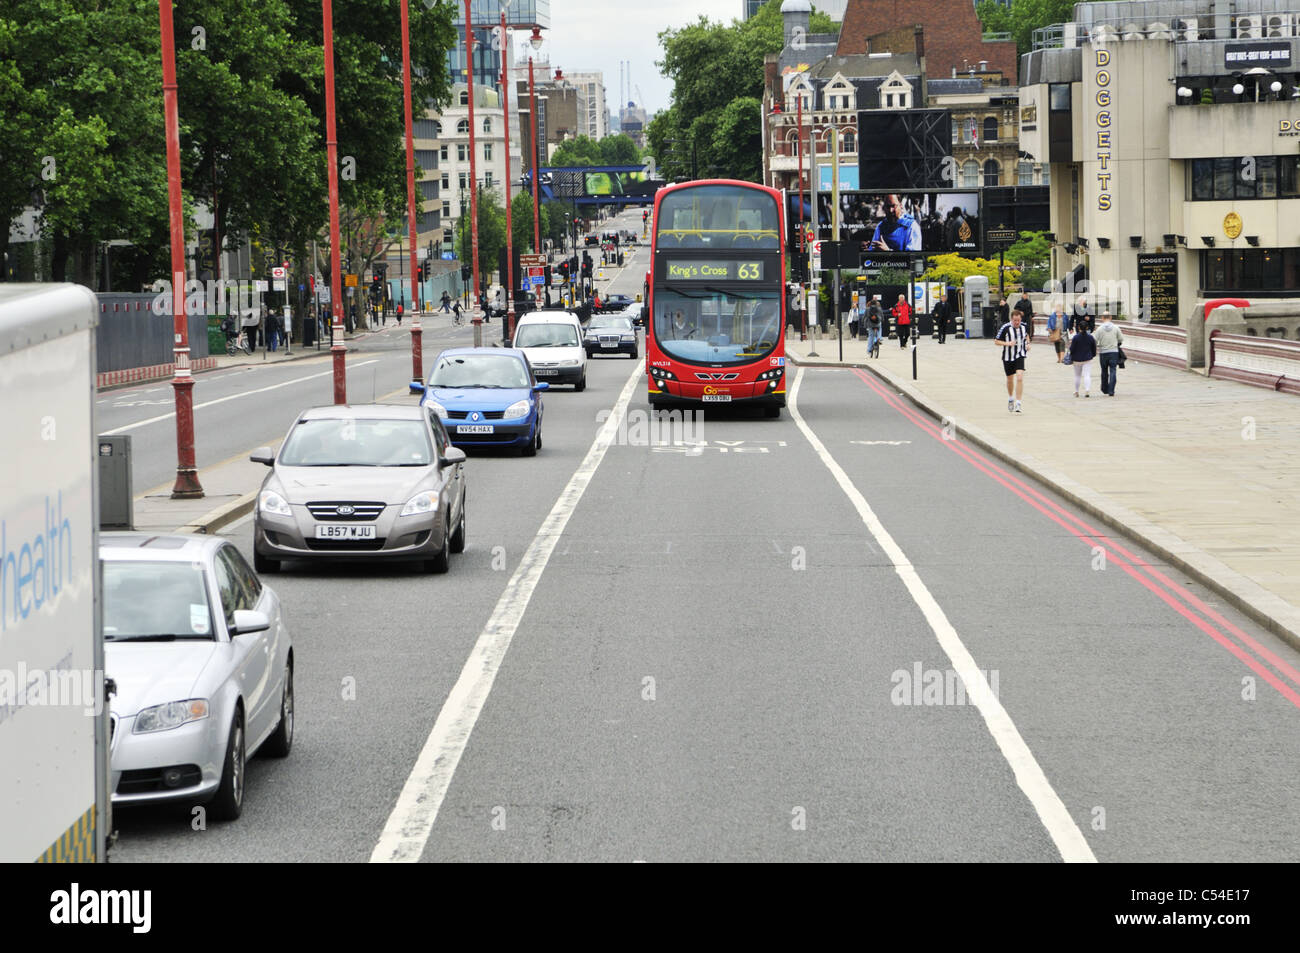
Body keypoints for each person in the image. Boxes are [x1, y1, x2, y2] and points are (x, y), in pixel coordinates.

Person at [995, 307, 1030, 413]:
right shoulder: (1005, 327)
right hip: (1008, 357)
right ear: (1011, 319)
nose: (1017, 322)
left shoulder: (1024, 326)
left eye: (1018, 320)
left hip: (1020, 355)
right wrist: (1008, 343)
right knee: (1010, 379)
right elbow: (996, 341)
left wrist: (1028, 343)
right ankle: (1011, 398)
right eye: (1015, 320)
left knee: (1019, 377)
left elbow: (1027, 335)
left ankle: (1018, 403)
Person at [1094, 311, 1124, 396]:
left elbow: (1095, 340)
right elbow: (1121, 339)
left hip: (1103, 352)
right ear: (1110, 317)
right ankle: (1111, 390)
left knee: (1104, 371)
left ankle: (1105, 389)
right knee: (1113, 371)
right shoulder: (1116, 328)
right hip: (1114, 352)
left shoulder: (1099, 329)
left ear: (1102, 318)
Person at [1067, 318, 1097, 397]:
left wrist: (1071, 356)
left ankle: (1076, 391)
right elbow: (1094, 348)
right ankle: (1087, 390)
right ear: (1087, 328)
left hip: (1077, 359)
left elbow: (1072, 349)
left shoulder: (1076, 337)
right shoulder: (1090, 337)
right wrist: (1092, 355)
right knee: (1087, 375)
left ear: (1079, 328)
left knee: (1077, 376)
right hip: (1087, 358)